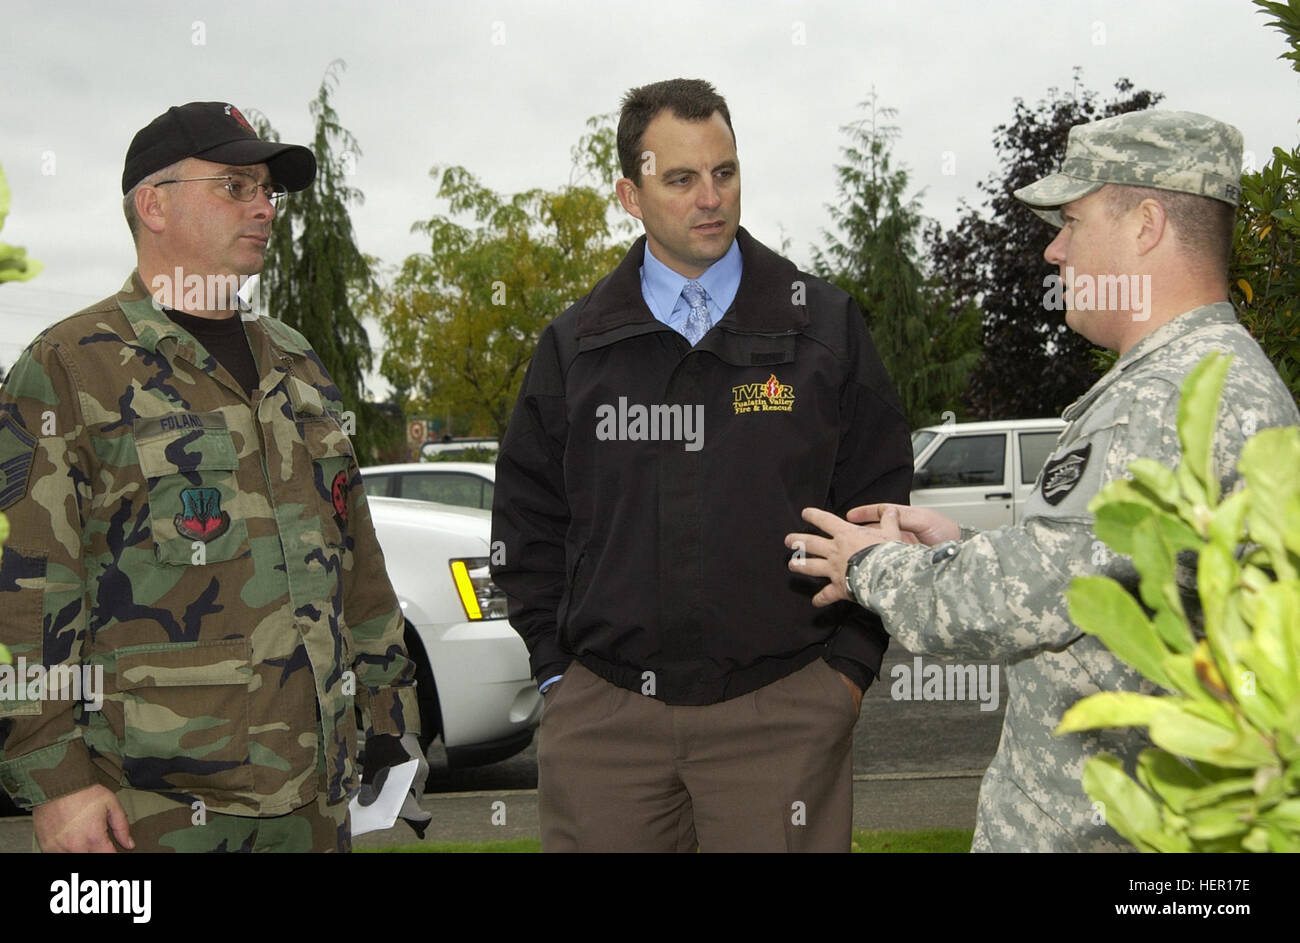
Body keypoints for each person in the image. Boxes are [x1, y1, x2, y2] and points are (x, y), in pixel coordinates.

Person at [786, 109, 1300, 852]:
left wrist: (869, 565)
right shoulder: (1207, 380)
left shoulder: (1168, 403)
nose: (1056, 250)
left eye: (1072, 220)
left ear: (1146, 224)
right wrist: (962, 541)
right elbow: (1099, 581)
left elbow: (1005, 604)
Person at [491, 78, 912, 852]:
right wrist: (558, 672)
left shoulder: (822, 328)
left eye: (725, 172)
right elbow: (526, 523)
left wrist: (846, 673)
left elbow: (880, 506)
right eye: (680, 179)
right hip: (606, 725)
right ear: (630, 192)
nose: (709, 197)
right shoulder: (575, 346)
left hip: (782, 712)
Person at [0, 101, 426, 852]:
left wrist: (391, 717)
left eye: (267, 189)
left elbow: (356, 563)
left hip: (315, 798)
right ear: (152, 205)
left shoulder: (295, 362)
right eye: (235, 185)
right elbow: (23, 597)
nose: (264, 206)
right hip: (150, 810)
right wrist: (56, 785)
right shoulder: (70, 369)